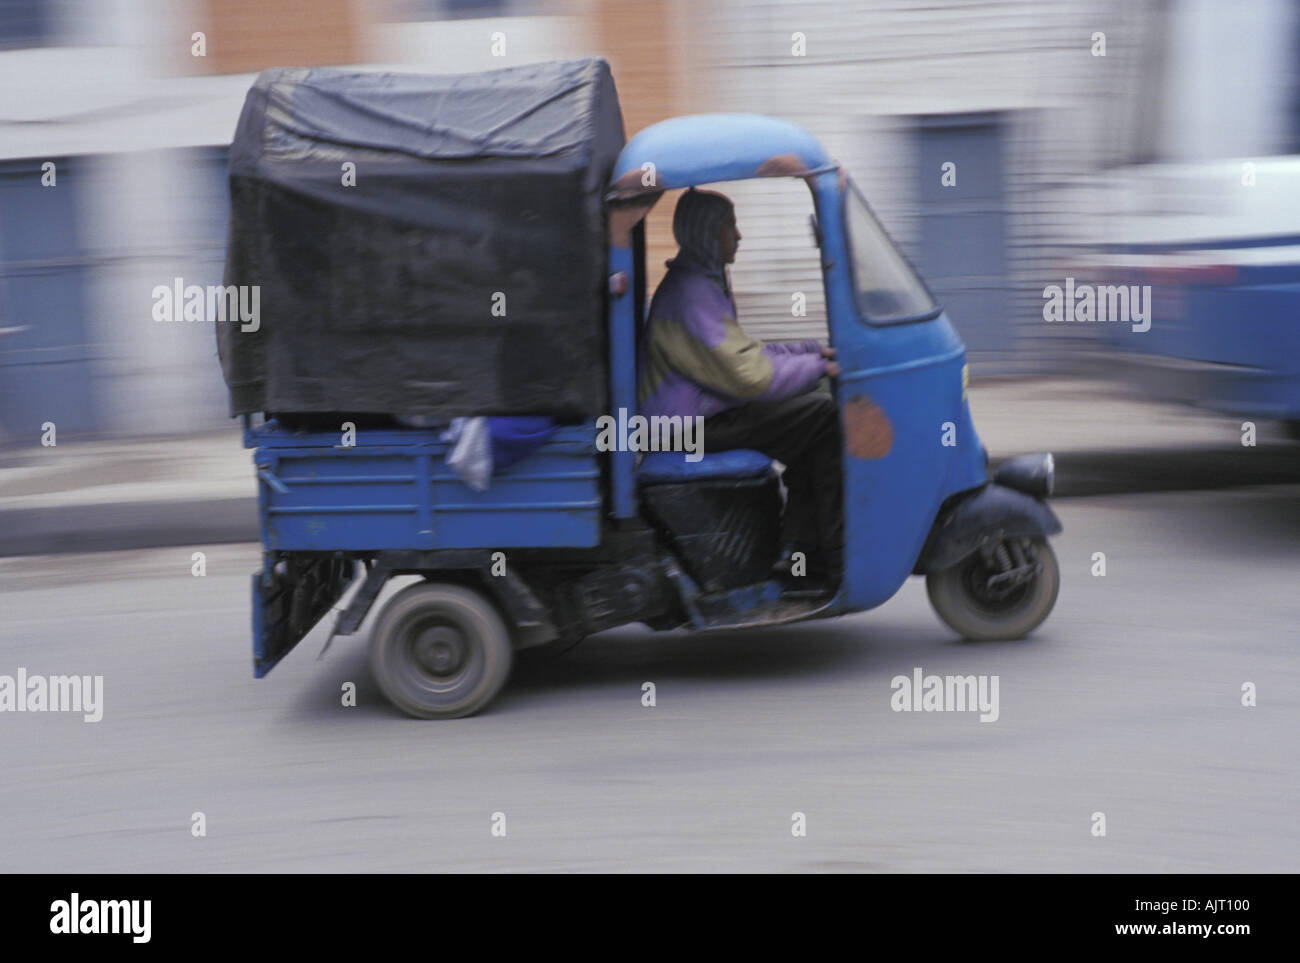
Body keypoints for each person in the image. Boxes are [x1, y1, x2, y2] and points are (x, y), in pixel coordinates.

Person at [638, 188, 843, 582]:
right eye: (730, 225)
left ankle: (797, 549)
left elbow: (744, 352)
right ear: (706, 232)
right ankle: (827, 552)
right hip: (685, 429)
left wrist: (812, 351)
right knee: (823, 417)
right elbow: (750, 374)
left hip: (698, 414)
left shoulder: (700, 282)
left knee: (811, 414)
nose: (739, 235)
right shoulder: (692, 292)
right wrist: (818, 367)